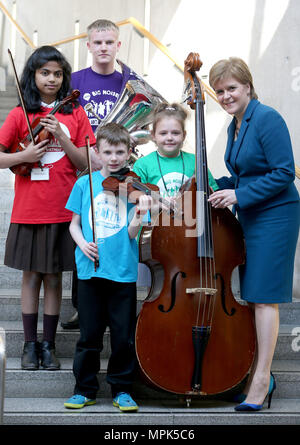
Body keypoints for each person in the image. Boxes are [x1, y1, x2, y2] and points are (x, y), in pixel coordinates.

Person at [208, 57, 300, 411]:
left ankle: (262, 379)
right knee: (253, 295)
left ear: (247, 86)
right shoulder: (236, 124)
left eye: (232, 88)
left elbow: (283, 172)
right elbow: (245, 174)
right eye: (219, 90)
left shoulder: (267, 118)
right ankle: (258, 375)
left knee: (264, 297)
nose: (226, 95)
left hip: (276, 216)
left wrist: (239, 195)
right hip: (252, 215)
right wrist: (213, 184)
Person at [0, 46, 96, 370]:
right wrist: (23, 157)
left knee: (55, 278)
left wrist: (63, 138)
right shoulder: (20, 115)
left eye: (57, 73)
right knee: (31, 277)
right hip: (29, 209)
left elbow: (86, 163)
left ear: (64, 78)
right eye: (45, 73)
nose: (51, 79)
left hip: (63, 209)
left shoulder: (75, 114)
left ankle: (49, 345)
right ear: (33, 76)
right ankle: (29, 345)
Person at [64, 123, 152, 411]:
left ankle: (122, 389)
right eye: (107, 152)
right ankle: (84, 388)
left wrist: (140, 213)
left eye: (119, 152)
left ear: (128, 153)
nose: (113, 158)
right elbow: (74, 225)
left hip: (122, 271)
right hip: (89, 270)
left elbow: (130, 233)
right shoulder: (83, 184)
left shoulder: (132, 188)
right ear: (97, 152)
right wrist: (81, 244)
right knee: (89, 335)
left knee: (123, 336)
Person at [61, 18, 139, 329]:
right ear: (89, 45)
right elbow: (67, 120)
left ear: (118, 46)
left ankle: (116, 299)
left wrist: (124, 148)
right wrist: (86, 154)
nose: (104, 47)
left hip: (117, 164)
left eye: (110, 42)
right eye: (98, 42)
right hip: (83, 163)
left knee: (114, 227)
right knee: (88, 229)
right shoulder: (75, 80)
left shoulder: (129, 80)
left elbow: (144, 121)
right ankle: (84, 306)